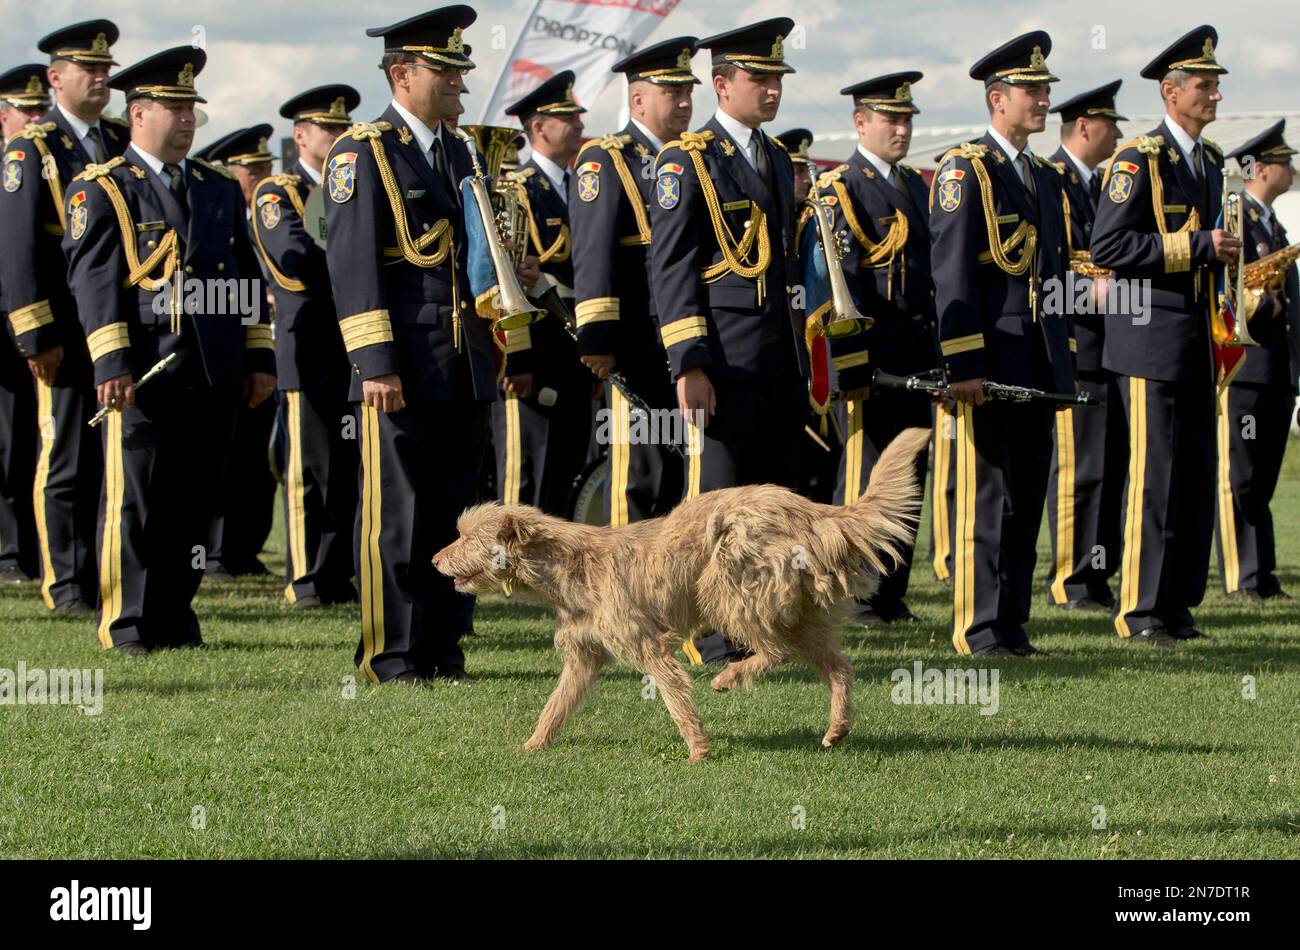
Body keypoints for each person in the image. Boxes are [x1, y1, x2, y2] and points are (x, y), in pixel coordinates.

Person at [62, 46, 276, 654]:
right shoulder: (103, 188)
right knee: (138, 505)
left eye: (191, 110)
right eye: (175, 109)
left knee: (193, 504)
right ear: (139, 113)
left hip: (210, 373)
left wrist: (258, 357)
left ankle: (175, 617)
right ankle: (128, 622)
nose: (187, 120)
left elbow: (243, 276)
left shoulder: (215, 186)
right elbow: (95, 282)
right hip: (146, 374)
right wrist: (111, 362)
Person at [323, 6, 499, 685]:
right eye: (447, 69)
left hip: (464, 361)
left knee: (457, 518)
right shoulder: (363, 151)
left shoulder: (461, 151)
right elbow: (354, 263)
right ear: (402, 74)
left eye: (461, 67)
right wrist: (375, 363)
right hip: (403, 366)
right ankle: (392, 653)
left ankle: (442, 648)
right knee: (398, 519)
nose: (461, 80)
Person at [650, 18, 807, 664]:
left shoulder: (774, 157)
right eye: (759, 79)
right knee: (717, 508)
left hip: (774, 360)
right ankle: (709, 634)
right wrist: (689, 361)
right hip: (722, 359)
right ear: (723, 84)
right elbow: (673, 267)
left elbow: (786, 266)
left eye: (776, 79)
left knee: (769, 508)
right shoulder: (686, 159)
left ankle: (757, 631)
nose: (771, 90)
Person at [1091, 25, 1235, 646]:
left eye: (1216, 85)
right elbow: (1109, 245)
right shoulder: (1138, 158)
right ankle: (1141, 609)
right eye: (1204, 86)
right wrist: (1198, 245)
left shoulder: (1209, 160)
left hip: (1197, 342)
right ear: (1171, 93)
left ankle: (1177, 604)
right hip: (1150, 342)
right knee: (1154, 479)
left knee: (1195, 476)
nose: (1215, 97)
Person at [930, 31, 1074, 657]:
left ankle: (1011, 622)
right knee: (988, 497)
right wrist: (963, 362)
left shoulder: (1042, 177)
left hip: (1035, 357)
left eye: (1044, 90)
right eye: (1031, 90)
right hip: (989, 359)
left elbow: (1056, 274)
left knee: (1027, 495)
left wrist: (1063, 362)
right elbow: (953, 270)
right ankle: (977, 625)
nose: (1043, 100)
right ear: (997, 99)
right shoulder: (966, 170)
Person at [0, 20, 130, 614]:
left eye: (106, 70)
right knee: (67, 458)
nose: (102, 78)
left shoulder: (121, 139)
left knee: (116, 461)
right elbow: (19, 246)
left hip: (117, 327)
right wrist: (35, 335)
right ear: (56, 78)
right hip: (65, 331)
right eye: (89, 69)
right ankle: (68, 582)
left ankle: (110, 573)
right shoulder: (33, 148)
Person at [817, 72, 937, 625]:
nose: (903, 128)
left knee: (908, 477)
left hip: (915, 360)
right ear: (861, 122)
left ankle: (891, 594)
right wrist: (852, 364)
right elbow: (842, 286)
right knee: (865, 481)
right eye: (891, 118)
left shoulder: (916, 186)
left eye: (908, 118)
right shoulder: (841, 188)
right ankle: (855, 594)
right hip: (872, 365)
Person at [570, 37, 697, 525]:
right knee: (638, 474)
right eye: (673, 93)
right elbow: (594, 252)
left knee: (685, 470)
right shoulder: (608, 160)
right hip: (635, 345)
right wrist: (599, 339)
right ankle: (624, 593)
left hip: (686, 339)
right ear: (638, 99)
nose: (684, 103)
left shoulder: (693, 158)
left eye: (688, 92)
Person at [253, 85, 361, 607]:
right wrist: (356, 269)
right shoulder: (278, 192)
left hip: (354, 349)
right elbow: (293, 256)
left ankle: (339, 573)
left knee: (349, 471)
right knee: (309, 473)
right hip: (309, 350)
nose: (339, 136)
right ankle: (306, 576)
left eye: (344, 129)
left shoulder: (355, 185)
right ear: (300, 136)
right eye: (329, 128)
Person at [494, 71, 596, 517]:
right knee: (525, 471)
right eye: (567, 118)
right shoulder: (517, 189)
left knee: (565, 466)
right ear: (539, 127)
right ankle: (507, 566)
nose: (578, 124)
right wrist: (517, 359)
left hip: (576, 351)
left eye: (578, 117)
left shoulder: (580, 185)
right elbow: (507, 281)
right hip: (537, 354)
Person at [1043, 80, 1128, 612]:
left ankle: (1096, 578)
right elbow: (1050, 270)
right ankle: (1072, 580)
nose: (1119, 133)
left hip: (1110, 345)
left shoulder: (1095, 184)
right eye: (1112, 124)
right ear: (1084, 127)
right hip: (1077, 344)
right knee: (1079, 472)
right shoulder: (1054, 181)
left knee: (1108, 471)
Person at [1216, 120, 1299, 601]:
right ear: (1262, 168)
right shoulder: (1235, 220)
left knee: (1263, 478)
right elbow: (1226, 295)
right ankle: (1239, 575)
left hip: (1274, 372)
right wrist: (1263, 305)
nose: (1291, 170)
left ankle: (1261, 574)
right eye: (1285, 162)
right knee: (1239, 476)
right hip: (1244, 369)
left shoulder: (1274, 224)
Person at [196, 124, 279, 581]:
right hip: (220, 348)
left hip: (255, 348)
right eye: (254, 169)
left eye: (267, 167)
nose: (263, 176)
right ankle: (216, 552)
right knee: (224, 459)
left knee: (254, 459)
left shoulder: (259, 214)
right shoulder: (220, 217)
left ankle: (243, 548)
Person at [0, 64, 50, 584]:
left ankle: (33, 550)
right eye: (25, 111)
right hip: (5, 322)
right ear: (4, 117)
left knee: (39, 439)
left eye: (40, 109)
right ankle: (14, 551)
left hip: (34, 321)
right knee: (11, 439)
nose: (35, 119)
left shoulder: (49, 162)